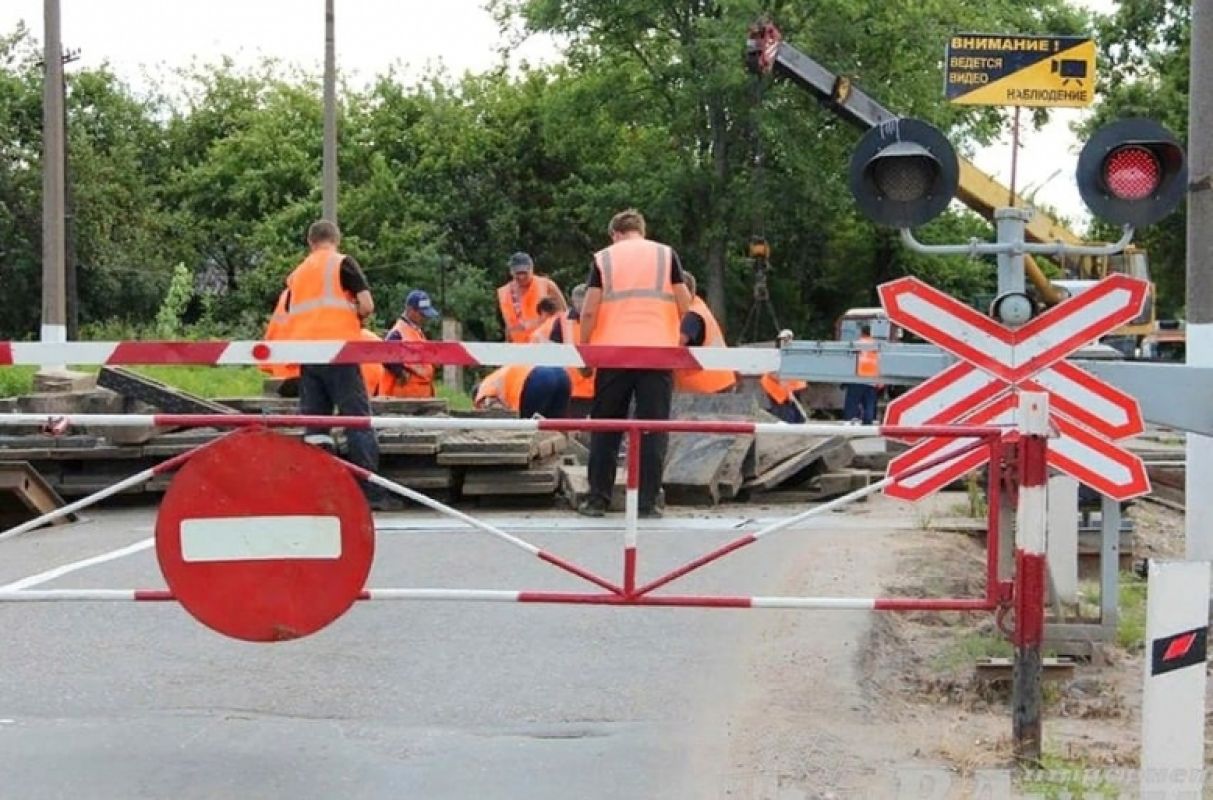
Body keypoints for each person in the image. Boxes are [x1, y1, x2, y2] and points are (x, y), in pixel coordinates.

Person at [577, 208, 691, 518]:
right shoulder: (666, 256)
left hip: (614, 353)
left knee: (607, 425)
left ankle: (597, 499)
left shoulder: (605, 259)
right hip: (657, 353)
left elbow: (588, 311)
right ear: (641, 230)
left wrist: (585, 353)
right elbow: (685, 304)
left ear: (615, 233)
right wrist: (682, 343)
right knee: (652, 427)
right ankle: (647, 503)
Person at [283, 219, 400, 511]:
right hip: (340, 352)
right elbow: (367, 305)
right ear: (336, 239)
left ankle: (320, 493)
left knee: (316, 426)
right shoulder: (342, 264)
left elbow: (290, 313)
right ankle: (369, 492)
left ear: (310, 243)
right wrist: (353, 313)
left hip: (308, 356)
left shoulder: (296, 275)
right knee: (356, 421)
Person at [532, 283, 595, 417]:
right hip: (572, 389)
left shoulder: (599, 318)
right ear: (574, 301)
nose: (582, 305)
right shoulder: (562, 321)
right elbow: (553, 351)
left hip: (596, 388)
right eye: (580, 300)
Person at [674, 271, 737, 394]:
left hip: (709, 387)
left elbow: (677, 344)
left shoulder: (691, 315)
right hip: (718, 381)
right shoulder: (697, 307)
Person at [379, 290, 439, 398]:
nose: (425, 318)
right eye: (422, 314)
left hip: (417, 395)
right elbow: (386, 356)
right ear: (410, 310)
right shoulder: (398, 332)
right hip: (402, 397)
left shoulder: (416, 331)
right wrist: (401, 373)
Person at [497, 251, 567, 343]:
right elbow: (508, 325)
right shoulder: (503, 292)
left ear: (532, 269)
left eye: (524, 272)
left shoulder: (547, 285)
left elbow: (564, 314)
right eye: (518, 273)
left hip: (545, 345)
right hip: (518, 348)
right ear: (511, 272)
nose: (521, 277)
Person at [473, 364, 571, 418]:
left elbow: (493, 408)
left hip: (537, 379)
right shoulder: (500, 374)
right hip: (561, 374)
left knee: (527, 430)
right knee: (554, 431)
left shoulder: (484, 388)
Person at [761, 329, 809, 423]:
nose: (787, 342)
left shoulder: (792, 355)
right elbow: (774, 374)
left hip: (791, 391)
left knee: (798, 418)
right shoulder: (775, 356)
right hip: (779, 392)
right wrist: (788, 392)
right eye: (784, 340)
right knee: (786, 417)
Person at [843, 323, 880, 424]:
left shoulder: (857, 344)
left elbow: (849, 360)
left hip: (858, 377)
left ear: (861, 332)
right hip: (872, 379)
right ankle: (868, 422)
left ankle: (850, 421)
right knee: (869, 403)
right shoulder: (877, 345)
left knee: (852, 403)